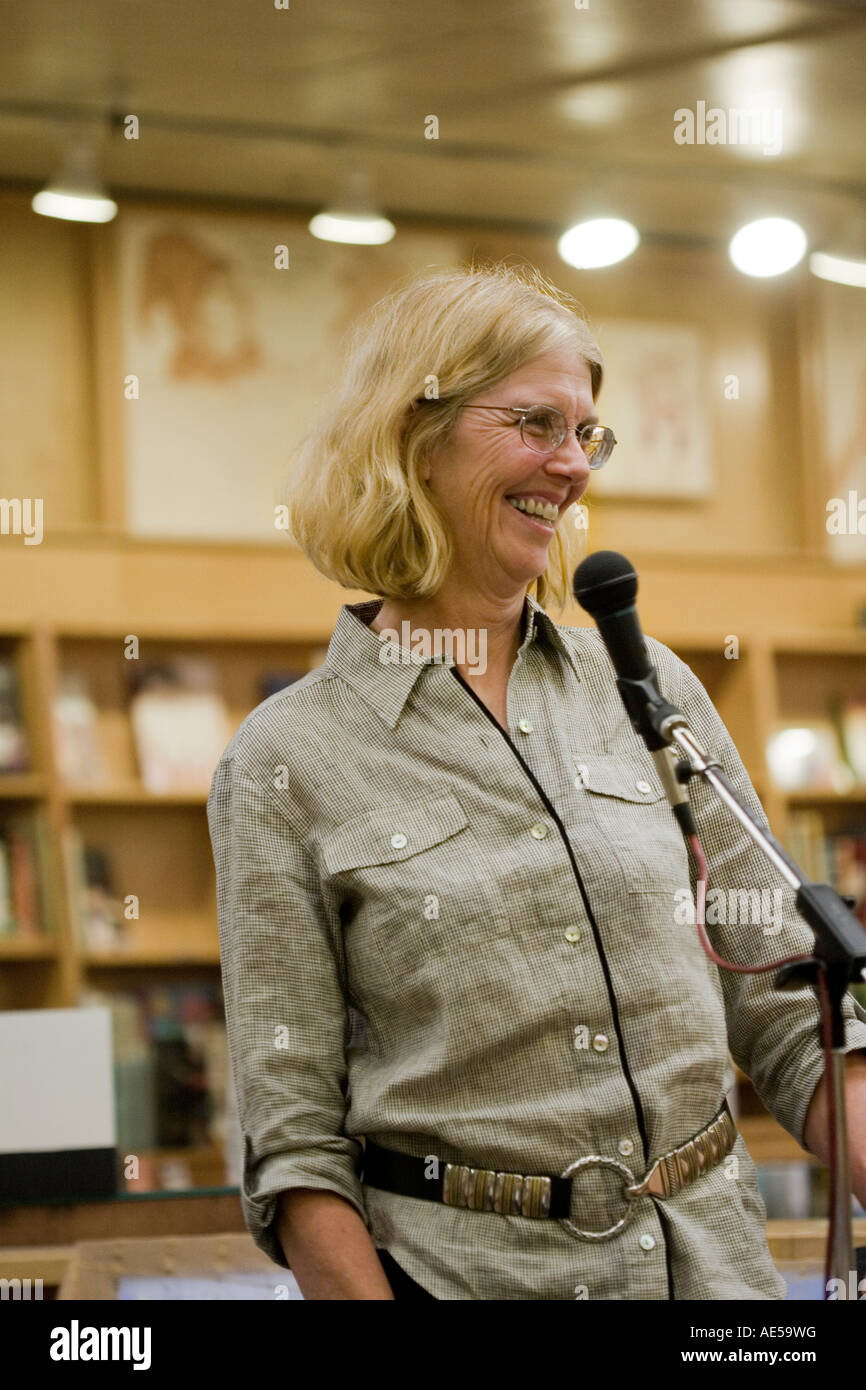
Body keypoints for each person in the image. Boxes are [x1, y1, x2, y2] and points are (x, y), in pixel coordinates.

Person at [207, 262, 866, 1300]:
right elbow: (295, 1149)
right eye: (534, 423)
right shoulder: (287, 760)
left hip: (719, 1284)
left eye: (585, 434)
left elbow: (788, 1009)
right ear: (412, 436)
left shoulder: (652, 691)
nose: (571, 468)